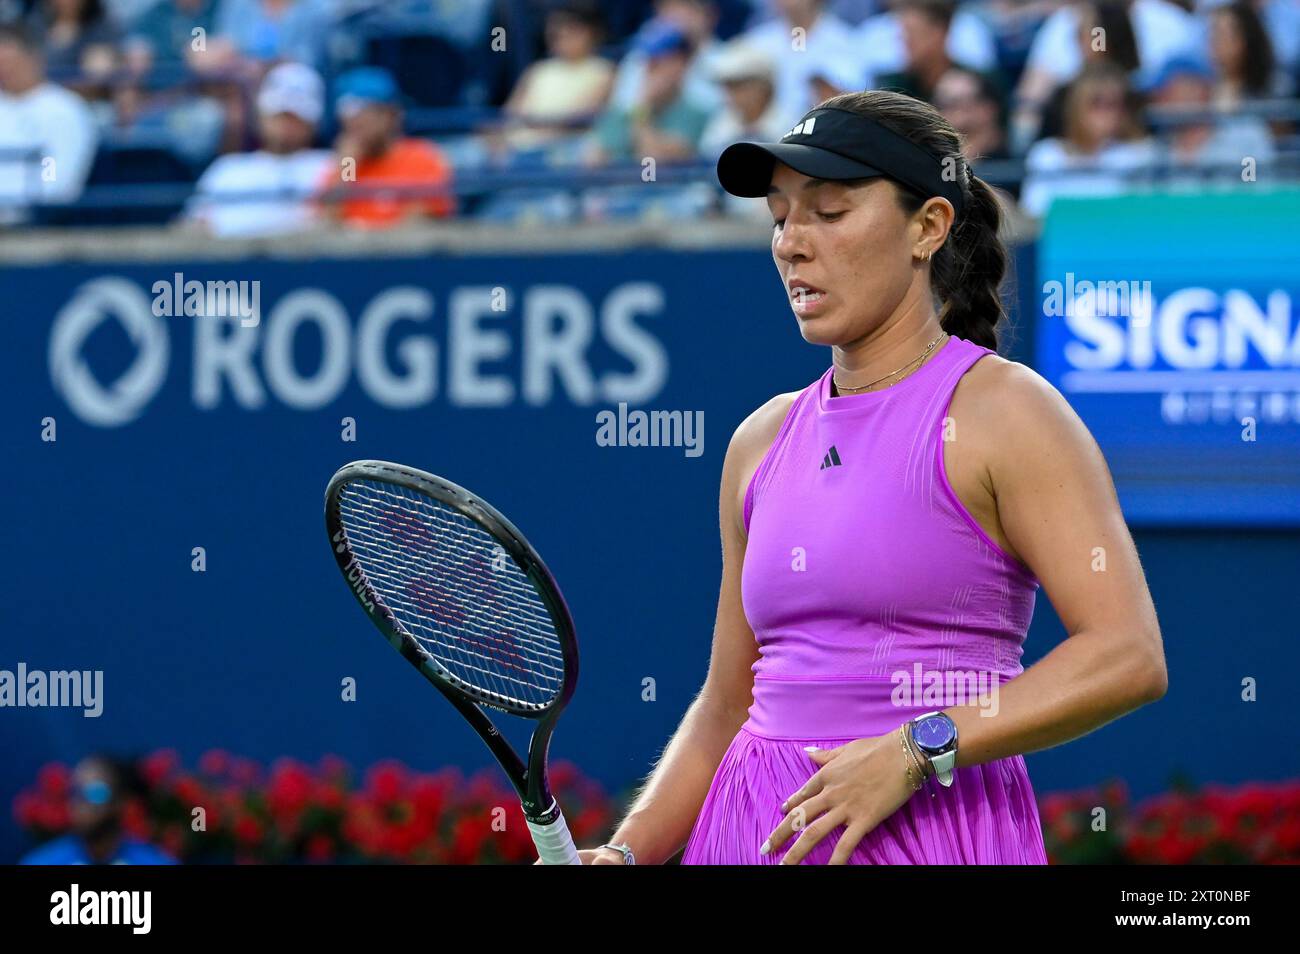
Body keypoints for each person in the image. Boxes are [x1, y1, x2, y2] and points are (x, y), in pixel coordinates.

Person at [574, 89, 1167, 864]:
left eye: (830, 211)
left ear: (928, 228)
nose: (792, 242)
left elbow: (1127, 654)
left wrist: (917, 750)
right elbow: (727, 703)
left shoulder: (1007, 410)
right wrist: (624, 854)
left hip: (935, 829)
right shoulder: (760, 439)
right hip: (746, 834)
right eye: (781, 216)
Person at [184, 61, 333, 237]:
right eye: (278, 115)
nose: (285, 125)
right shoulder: (227, 168)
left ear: (314, 123)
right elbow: (190, 226)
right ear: (261, 115)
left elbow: (346, 221)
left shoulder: (333, 165)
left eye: (295, 117)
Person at [318, 66, 455, 228]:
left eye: (367, 112)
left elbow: (420, 220)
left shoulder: (422, 157)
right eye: (348, 115)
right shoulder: (348, 164)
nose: (356, 123)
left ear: (391, 115)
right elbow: (328, 221)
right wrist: (348, 165)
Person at [1020, 63, 1156, 219]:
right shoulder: (1047, 154)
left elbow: (1141, 214)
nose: (1110, 113)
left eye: (1116, 104)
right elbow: (1035, 212)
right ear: (1077, 106)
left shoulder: (1139, 154)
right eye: (1097, 103)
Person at [0, 23, 98, 225]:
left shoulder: (63, 109)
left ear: (35, 59)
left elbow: (54, 174)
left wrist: (19, 204)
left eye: (12, 63)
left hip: (39, 222)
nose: (6, 71)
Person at [584, 19, 709, 165]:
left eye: (657, 62)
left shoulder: (696, 111)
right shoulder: (622, 111)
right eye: (648, 61)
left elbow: (655, 164)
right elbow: (593, 162)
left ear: (681, 63)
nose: (649, 68)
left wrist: (642, 111)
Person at [20, 756, 176, 865]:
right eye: (75, 791)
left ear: (119, 802)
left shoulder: (155, 862)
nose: (81, 801)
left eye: (95, 793)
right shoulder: (41, 863)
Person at [501, 1, 613, 151]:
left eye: (571, 29)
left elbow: (579, 117)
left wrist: (541, 136)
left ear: (592, 33)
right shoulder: (537, 70)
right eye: (558, 31)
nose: (562, 34)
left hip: (567, 145)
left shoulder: (603, 70)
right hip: (520, 145)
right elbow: (509, 114)